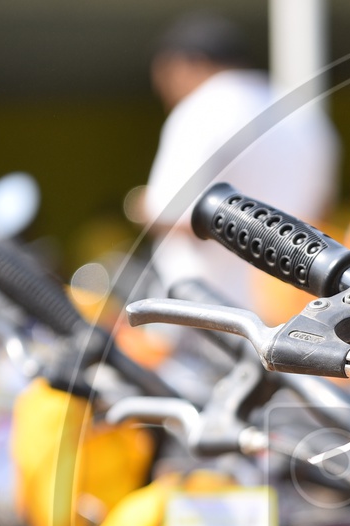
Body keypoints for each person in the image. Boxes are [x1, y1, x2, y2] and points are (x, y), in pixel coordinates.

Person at [143, 11, 338, 308]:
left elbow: (171, 213)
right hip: (291, 303)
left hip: (208, 309)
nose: (164, 89)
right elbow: (324, 208)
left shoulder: (202, 107)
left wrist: (139, 207)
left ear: (189, 63)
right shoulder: (301, 113)